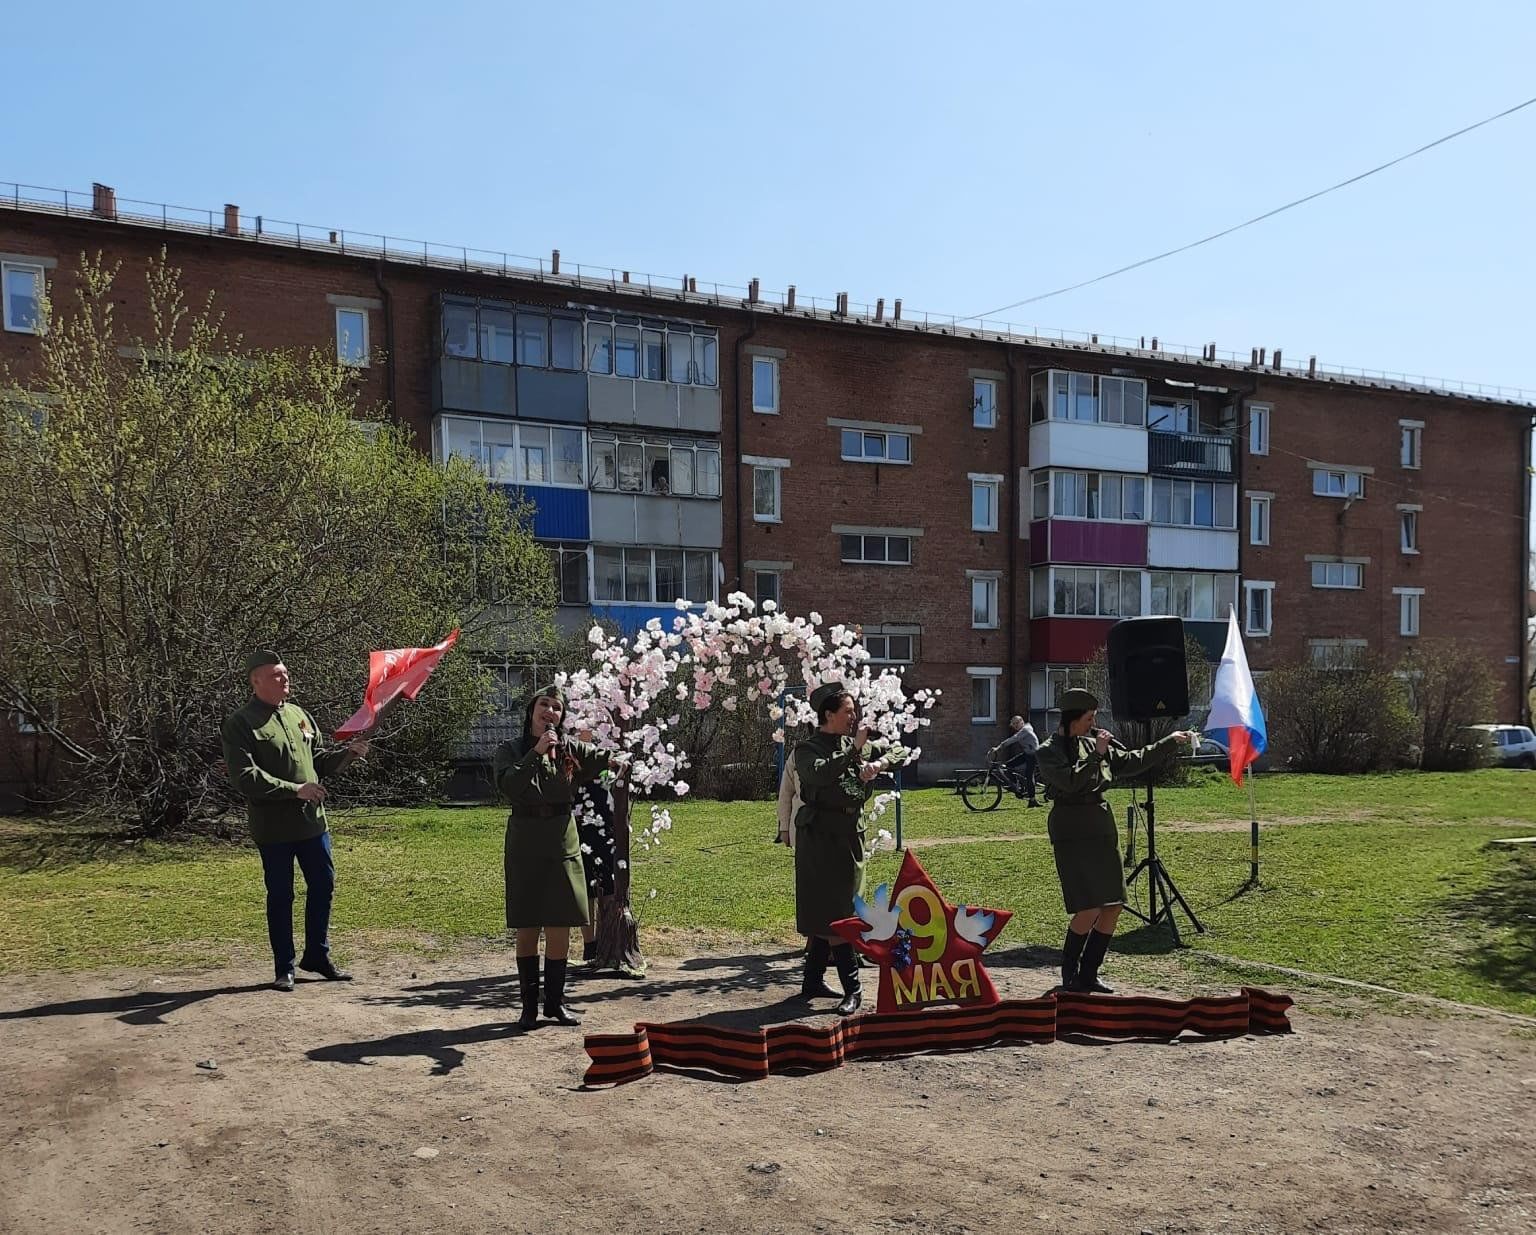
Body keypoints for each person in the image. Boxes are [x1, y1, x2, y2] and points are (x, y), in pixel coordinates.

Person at [221, 650, 369, 992]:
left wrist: (348, 754)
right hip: (274, 827)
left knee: (323, 886)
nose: (284, 679)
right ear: (255, 682)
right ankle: (283, 967)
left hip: (312, 823)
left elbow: (318, 761)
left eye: (285, 673)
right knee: (281, 894)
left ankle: (316, 955)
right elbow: (244, 777)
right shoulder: (241, 723)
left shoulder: (300, 716)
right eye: (275, 675)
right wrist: (295, 789)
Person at [1034, 688, 1197, 994]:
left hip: (1101, 826)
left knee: (1113, 904)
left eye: (1094, 717)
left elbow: (1132, 761)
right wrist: (1096, 754)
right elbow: (1070, 783)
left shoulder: (1095, 742)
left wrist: (1168, 742)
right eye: (1088, 718)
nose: (1093, 723)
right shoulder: (1048, 751)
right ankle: (1070, 974)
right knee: (1088, 907)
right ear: (1071, 719)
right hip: (1072, 829)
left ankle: (1089, 974)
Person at [494, 685, 619, 1028]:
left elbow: (602, 759)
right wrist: (535, 753)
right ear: (531, 712)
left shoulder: (569, 750)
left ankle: (554, 1003)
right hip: (526, 841)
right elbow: (509, 786)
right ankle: (529, 1007)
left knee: (561, 920)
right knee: (529, 922)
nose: (550, 712)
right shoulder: (511, 749)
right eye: (544, 705)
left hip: (563, 839)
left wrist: (619, 762)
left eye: (557, 708)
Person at [792, 683, 907, 1015]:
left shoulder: (855, 744)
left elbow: (899, 752)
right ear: (829, 715)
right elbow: (819, 775)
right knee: (825, 910)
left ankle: (815, 980)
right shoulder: (808, 749)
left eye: (855, 711)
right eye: (848, 711)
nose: (854, 716)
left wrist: (878, 764)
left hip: (848, 835)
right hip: (818, 837)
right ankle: (849, 989)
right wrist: (853, 751)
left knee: (841, 908)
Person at [989, 715, 1040, 806]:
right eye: (1014, 724)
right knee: (1008, 766)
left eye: (1017, 723)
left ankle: (1032, 800)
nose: (1015, 726)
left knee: (1029, 775)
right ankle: (1017, 786)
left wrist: (999, 747)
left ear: (1022, 722)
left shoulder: (1026, 729)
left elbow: (1014, 739)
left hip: (1033, 755)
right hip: (1026, 753)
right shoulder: (1022, 730)